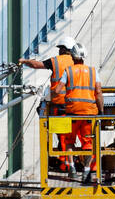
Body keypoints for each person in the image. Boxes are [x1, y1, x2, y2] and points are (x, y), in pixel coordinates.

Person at [19, 39, 77, 174]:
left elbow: (36, 64)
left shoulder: (56, 61)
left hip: (61, 105)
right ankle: (76, 164)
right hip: (76, 106)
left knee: (63, 136)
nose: (59, 50)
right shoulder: (77, 61)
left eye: (60, 48)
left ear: (64, 49)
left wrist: (24, 61)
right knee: (73, 136)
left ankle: (66, 165)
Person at [61, 43, 104, 184]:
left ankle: (72, 169)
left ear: (72, 56)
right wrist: (101, 111)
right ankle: (86, 171)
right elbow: (98, 92)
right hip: (89, 114)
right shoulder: (93, 72)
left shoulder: (68, 71)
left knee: (69, 141)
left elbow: (57, 90)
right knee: (88, 143)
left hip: (72, 112)